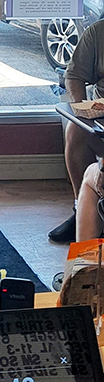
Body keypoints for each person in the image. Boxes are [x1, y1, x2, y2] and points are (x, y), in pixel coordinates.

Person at [54, 19, 104, 243]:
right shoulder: (98, 32)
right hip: (102, 117)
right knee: (76, 130)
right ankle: (81, 210)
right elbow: (74, 76)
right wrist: (84, 108)